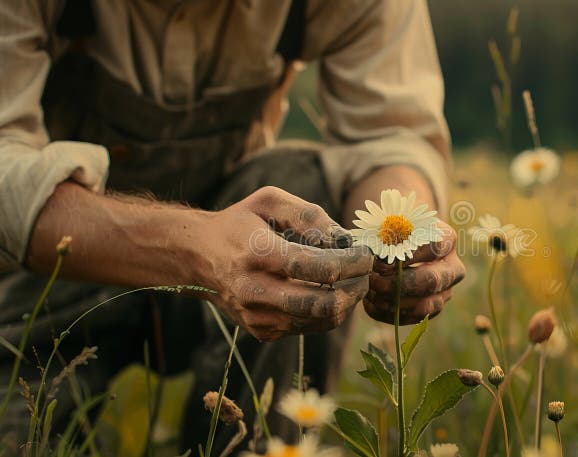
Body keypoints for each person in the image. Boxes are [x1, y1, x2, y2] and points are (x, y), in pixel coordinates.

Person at [0, 0, 465, 452]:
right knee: (24, 436)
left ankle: (255, 445)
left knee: (302, 199)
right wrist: (194, 250)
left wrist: (406, 236)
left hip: (245, 266)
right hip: (43, 273)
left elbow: (390, 135)